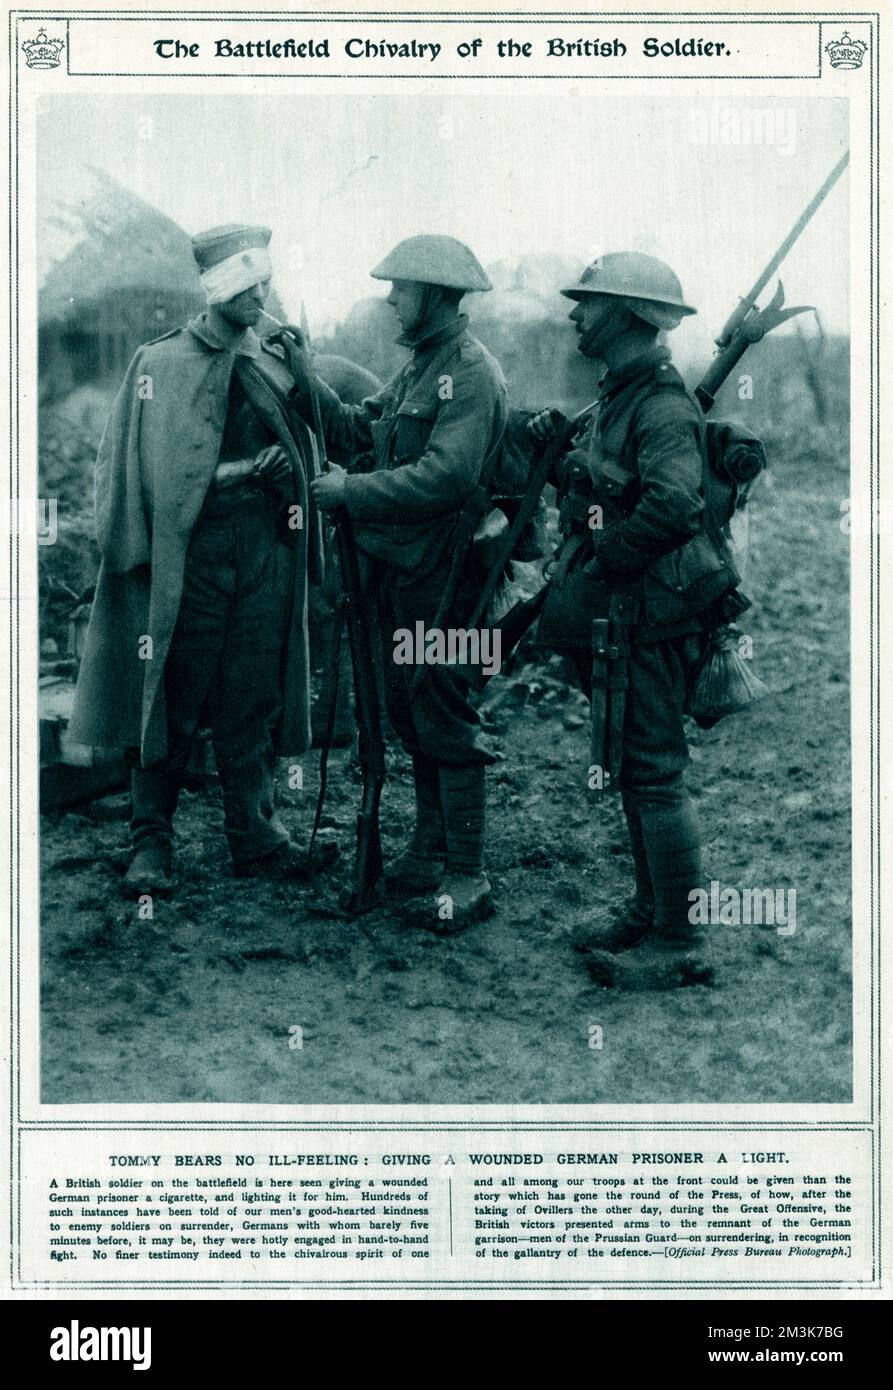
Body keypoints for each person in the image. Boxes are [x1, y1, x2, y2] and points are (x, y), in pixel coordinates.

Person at [70, 224, 329, 894]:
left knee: (251, 699)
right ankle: (149, 844)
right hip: (191, 558)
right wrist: (234, 472)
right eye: (245, 285)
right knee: (170, 700)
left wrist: (284, 472)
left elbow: (319, 443)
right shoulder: (162, 365)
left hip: (263, 554)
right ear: (216, 289)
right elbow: (138, 471)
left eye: (264, 282)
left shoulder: (276, 360)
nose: (259, 295)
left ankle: (255, 834)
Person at [274, 235, 508, 929]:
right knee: (409, 712)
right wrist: (304, 374)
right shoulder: (418, 369)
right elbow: (355, 426)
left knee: (443, 713)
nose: (389, 299)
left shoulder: (469, 373)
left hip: (449, 581)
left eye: (399, 289)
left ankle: (467, 874)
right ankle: (430, 850)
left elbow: (448, 475)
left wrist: (351, 493)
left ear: (434, 295)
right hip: (404, 572)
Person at [529, 252, 724, 988]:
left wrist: (606, 558)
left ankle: (676, 941)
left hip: (653, 616)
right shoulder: (618, 397)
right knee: (632, 770)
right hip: (627, 615)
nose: (576, 313)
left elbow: (675, 504)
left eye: (589, 304)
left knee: (653, 774)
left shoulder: (662, 406)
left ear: (625, 315)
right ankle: (648, 910)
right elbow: (610, 489)